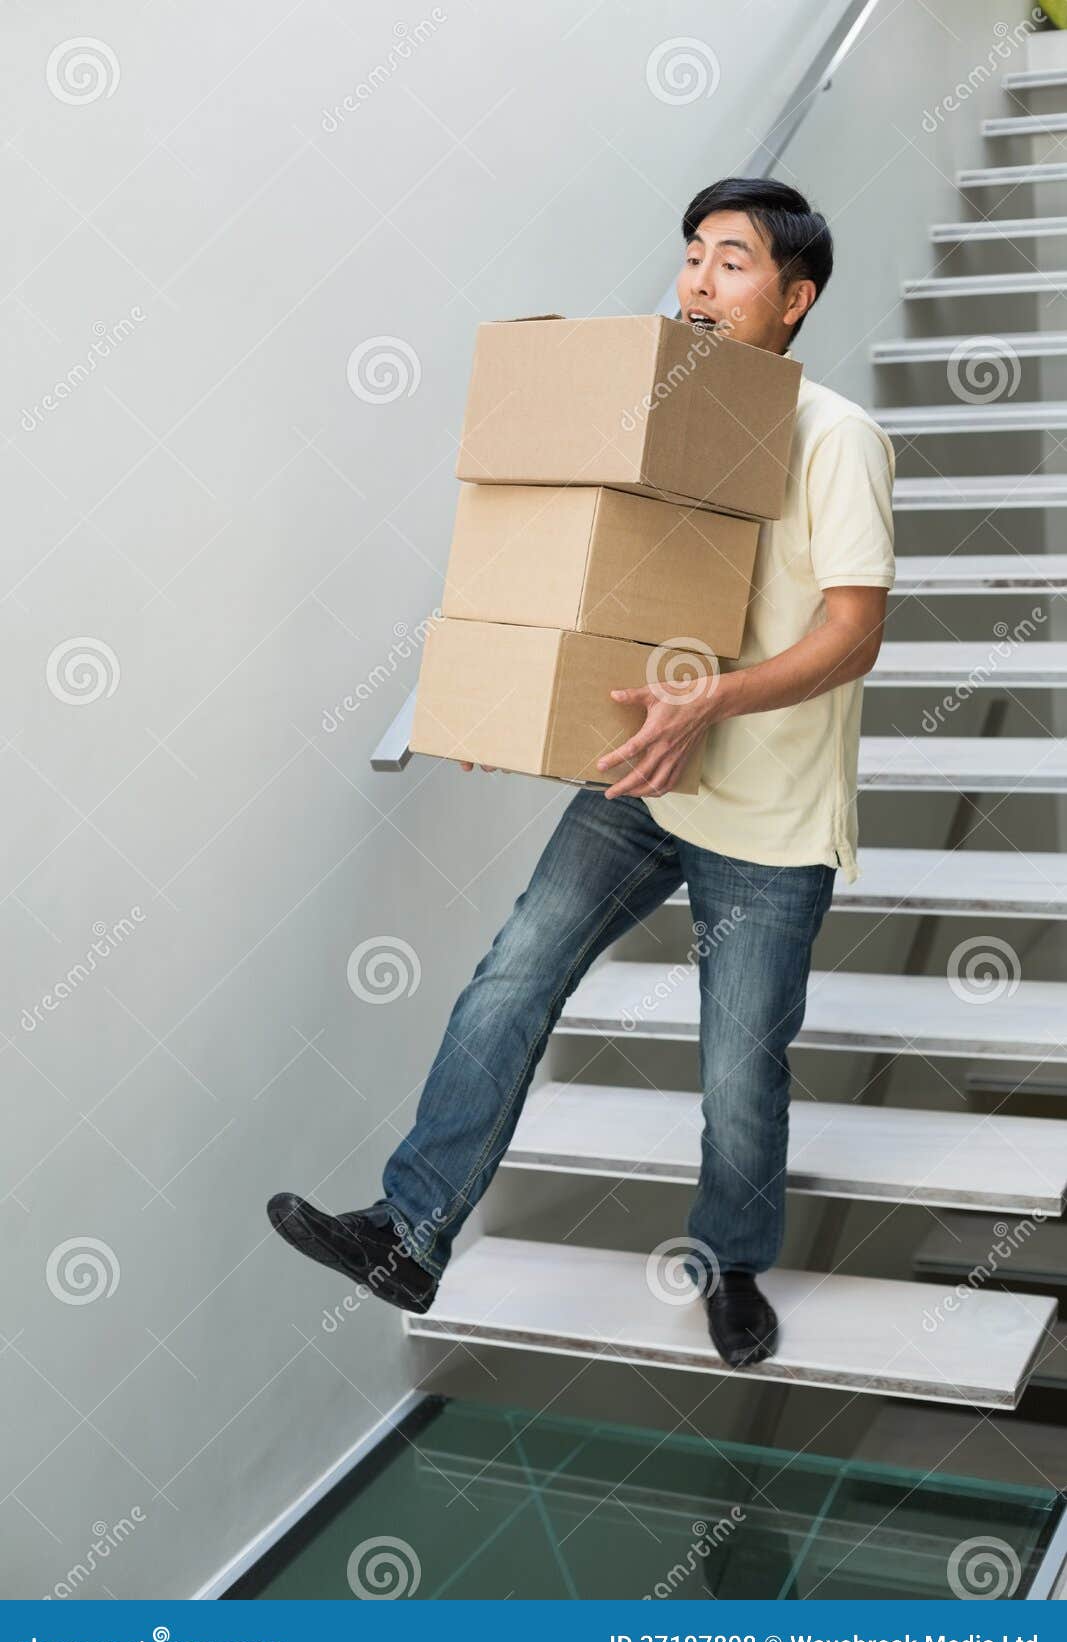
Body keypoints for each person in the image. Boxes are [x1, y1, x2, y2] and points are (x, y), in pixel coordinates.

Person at [268, 177, 896, 1368]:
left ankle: (730, 1261)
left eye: (733, 263)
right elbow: (595, 585)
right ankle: (411, 1228)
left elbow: (853, 631)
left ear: (795, 299)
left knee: (736, 1076)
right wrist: (509, 704)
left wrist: (716, 694)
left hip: (765, 814)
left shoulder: (836, 437)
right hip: (647, 780)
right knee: (509, 978)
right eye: (692, 257)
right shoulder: (665, 414)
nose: (699, 283)